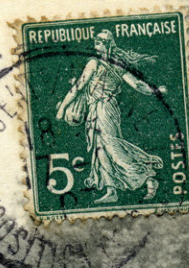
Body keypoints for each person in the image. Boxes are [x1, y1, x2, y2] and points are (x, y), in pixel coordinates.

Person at [56, 29, 166, 204]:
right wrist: (63, 107)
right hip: (98, 109)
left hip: (105, 109)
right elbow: (79, 86)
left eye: (99, 41)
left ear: (106, 44)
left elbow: (136, 84)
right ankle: (111, 190)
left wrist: (155, 90)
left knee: (111, 146)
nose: (96, 43)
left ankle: (146, 176)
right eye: (96, 40)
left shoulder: (105, 64)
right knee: (101, 148)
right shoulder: (102, 64)